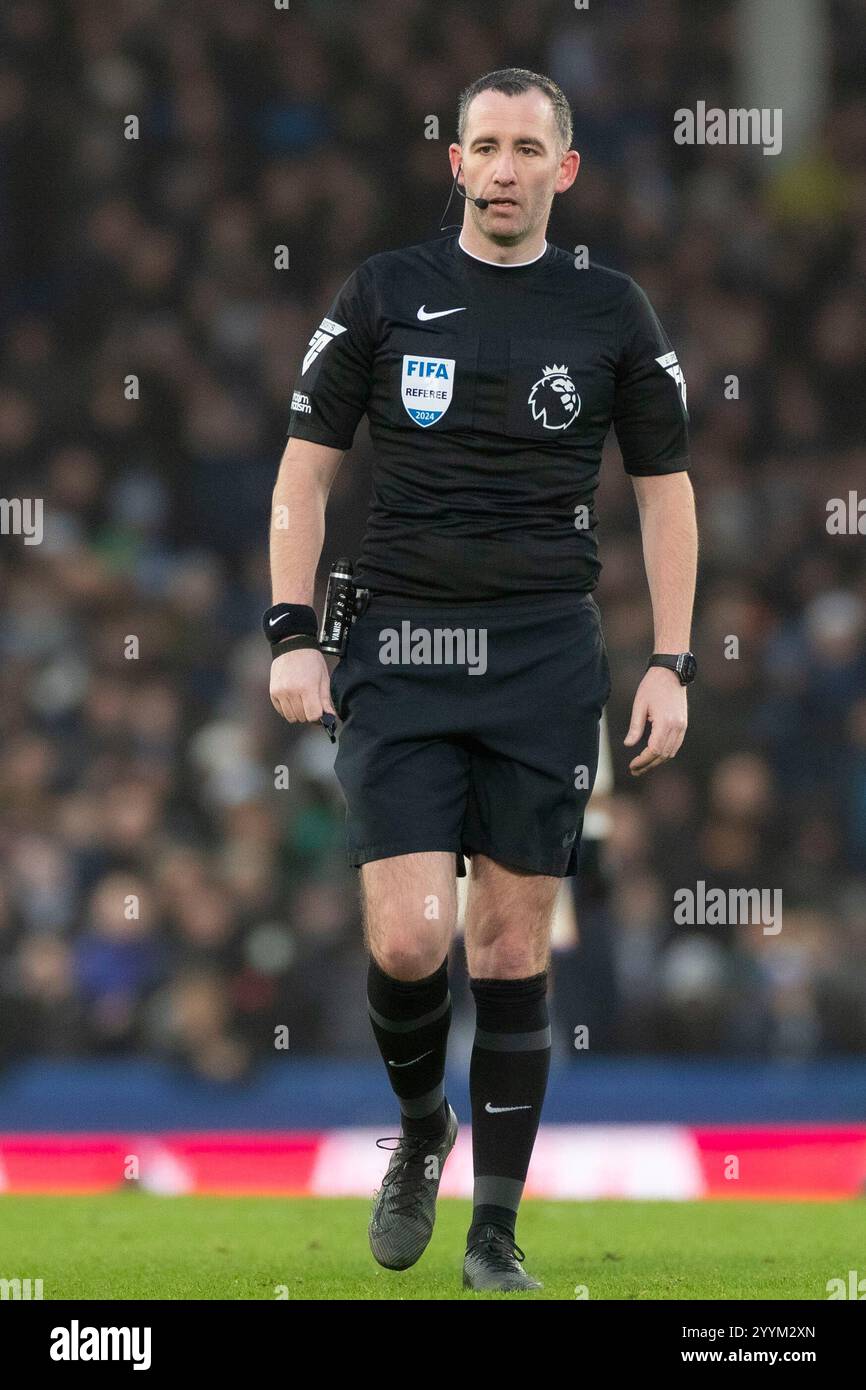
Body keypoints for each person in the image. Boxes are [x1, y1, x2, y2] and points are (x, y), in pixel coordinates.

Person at [267, 67, 697, 1293]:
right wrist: (291, 631)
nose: (501, 167)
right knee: (409, 942)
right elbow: (301, 477)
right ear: (452, 162)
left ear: (564, 169)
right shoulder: (384, 293)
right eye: (482, 145)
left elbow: (666, 500)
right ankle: (419, 1129)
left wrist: (670, 660)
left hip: (543, 657)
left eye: (525, 147)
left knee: (509, 955)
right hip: (399, 646)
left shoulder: (610, 310)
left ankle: (495, 1233)